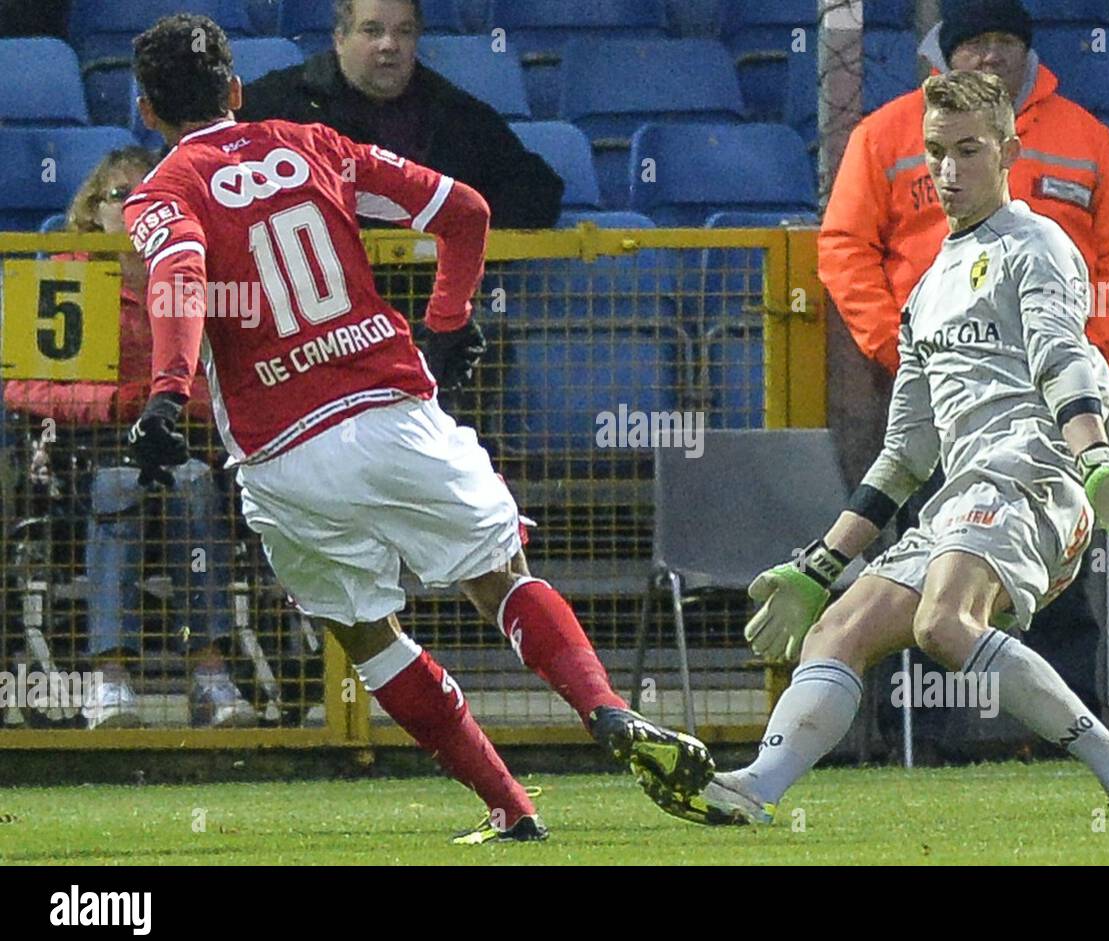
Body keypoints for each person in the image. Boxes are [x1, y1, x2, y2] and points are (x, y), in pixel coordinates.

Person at [124, 14, 712, 843]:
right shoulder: (314, 144)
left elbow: (183, 276)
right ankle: (606, 708)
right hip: (394, 412)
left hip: (285, 455)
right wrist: (447, 316)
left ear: (147, 112)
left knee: (369, 633)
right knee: (501, 575)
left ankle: (511, 803)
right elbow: (465, 210)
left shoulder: (161, 193)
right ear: (234, 90)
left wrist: (165, 394)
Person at [650, 71, 1109, 827]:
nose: (950, 170)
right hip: (962, 494)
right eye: (937, 152)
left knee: (942, 623)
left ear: (1008, 152)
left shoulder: (1041, 245)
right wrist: (819, 564)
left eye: (970, 150)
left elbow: (1063, 357)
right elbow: (903, 455)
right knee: (839, 627)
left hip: (1032, 474)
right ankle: (754, 787)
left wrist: (1094, 460)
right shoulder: (926, 288)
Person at [822, 0, 1109, 715]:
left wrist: (1095, 359)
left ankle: (1061, 722)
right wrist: (897, 346)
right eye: (977, 42)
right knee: (926, 551)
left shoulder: (1086, 137)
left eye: (1006, 41)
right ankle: (925, 729)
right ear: (950, 51)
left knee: (1054, 563)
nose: (992, 55)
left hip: (1054, 396)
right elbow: (844, 247)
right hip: (944, 383)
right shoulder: (888, 132)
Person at [3, 147, 256, 730]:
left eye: (152, 199)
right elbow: (20, 389)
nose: (137, 209)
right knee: (118, 488)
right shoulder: (62, 279)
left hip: (181, 446)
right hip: (88, 452)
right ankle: (110, 682)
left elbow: (231, 381)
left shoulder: (198, 279)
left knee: (194, 484)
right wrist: (115, 401)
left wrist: (171, 403)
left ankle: (210, 673)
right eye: (122, 197)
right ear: (92, 212)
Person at [238, 0, 563, 230]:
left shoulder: (453, 113)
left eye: (404, 32)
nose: (389, 45)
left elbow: (538, 192)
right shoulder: (278, 102)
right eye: (372, 30)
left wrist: (454, 235)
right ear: (339, 39)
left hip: (423, 310)